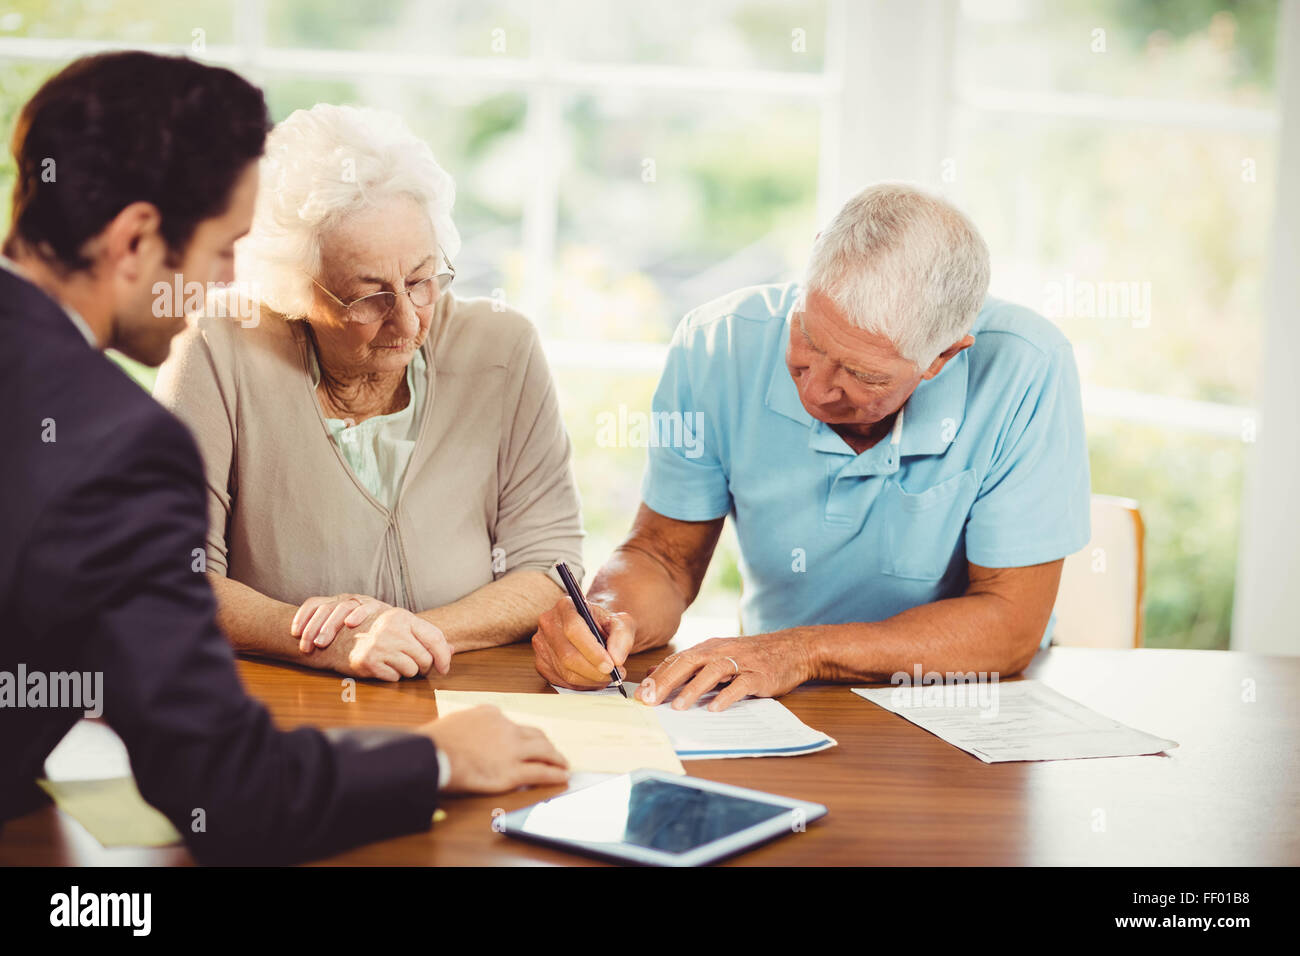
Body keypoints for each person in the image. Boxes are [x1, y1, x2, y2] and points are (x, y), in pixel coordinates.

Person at [0, 52, 567, 865]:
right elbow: (222, 790)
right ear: (135, 240)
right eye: (225, 247)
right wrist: (444, 756)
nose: (235, 279)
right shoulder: (117, 446)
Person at [532, 183, 1090, 712]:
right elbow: (663, 558)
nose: (816, 388)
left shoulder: (1028, 365)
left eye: (863, 375)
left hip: (959, 702)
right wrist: (608, 617)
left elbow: (1009, 621)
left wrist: (801, 652)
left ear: (941, 358)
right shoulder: (716, 344)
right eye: (808, 340)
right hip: (775, 701)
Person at [154, 103, 584, 682]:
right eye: (369, 296)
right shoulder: (216, 348)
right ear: (295, 292)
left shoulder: (503, 348)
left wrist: (409, 634)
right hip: (275, 707)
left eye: (421, 280)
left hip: (466, 696)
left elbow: (547, 567)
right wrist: (319, 640)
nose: (407, 320)